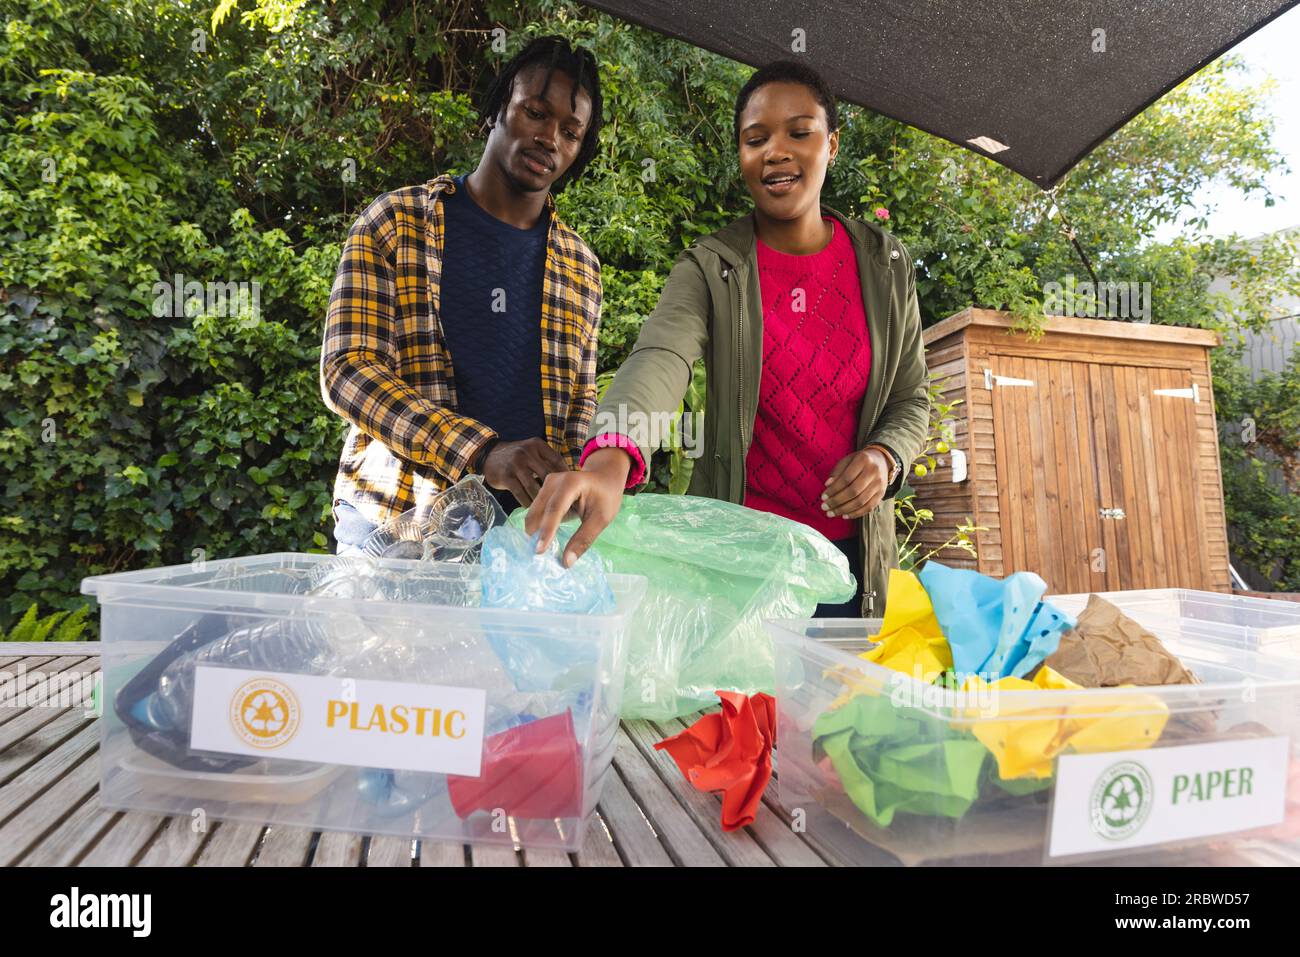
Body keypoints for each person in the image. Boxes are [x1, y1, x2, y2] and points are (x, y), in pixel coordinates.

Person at [526, 60, 929, 617]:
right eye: (755, 138)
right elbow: (659, 360)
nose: (776, 151)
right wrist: (610, 459)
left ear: (831, 145)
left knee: (835, 703)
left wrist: (885, 458)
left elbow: (910, 399)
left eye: (799, 132)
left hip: (851, 569)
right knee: (742, 708)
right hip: (740, 568)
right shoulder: (712, 267)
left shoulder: (885, 264)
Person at [320, 37, 605, 553]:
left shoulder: (581, 265)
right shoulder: (396, 223)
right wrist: (483, 451)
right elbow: (347, 370)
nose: (549, 138)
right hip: (399, 522)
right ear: (498, 108)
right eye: (535, 113)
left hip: (522, 540)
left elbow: (579, 404)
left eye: (570, 131)